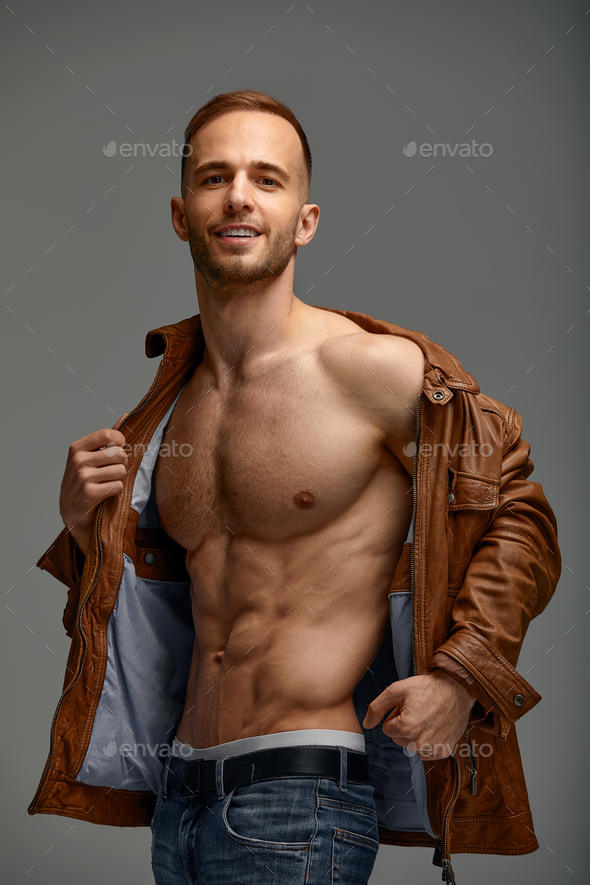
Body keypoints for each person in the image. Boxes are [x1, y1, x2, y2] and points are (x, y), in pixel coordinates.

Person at [29, 91, 561, 885]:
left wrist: (461, 674)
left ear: (304, 220)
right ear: (182, 215)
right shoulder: (170, 409)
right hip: (179, 799)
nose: (239, 195)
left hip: (297, 797)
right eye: (216, 177)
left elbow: (521, 512)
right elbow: (149, 610)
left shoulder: (372, 371)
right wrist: (81, 525)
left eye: (266, 179)